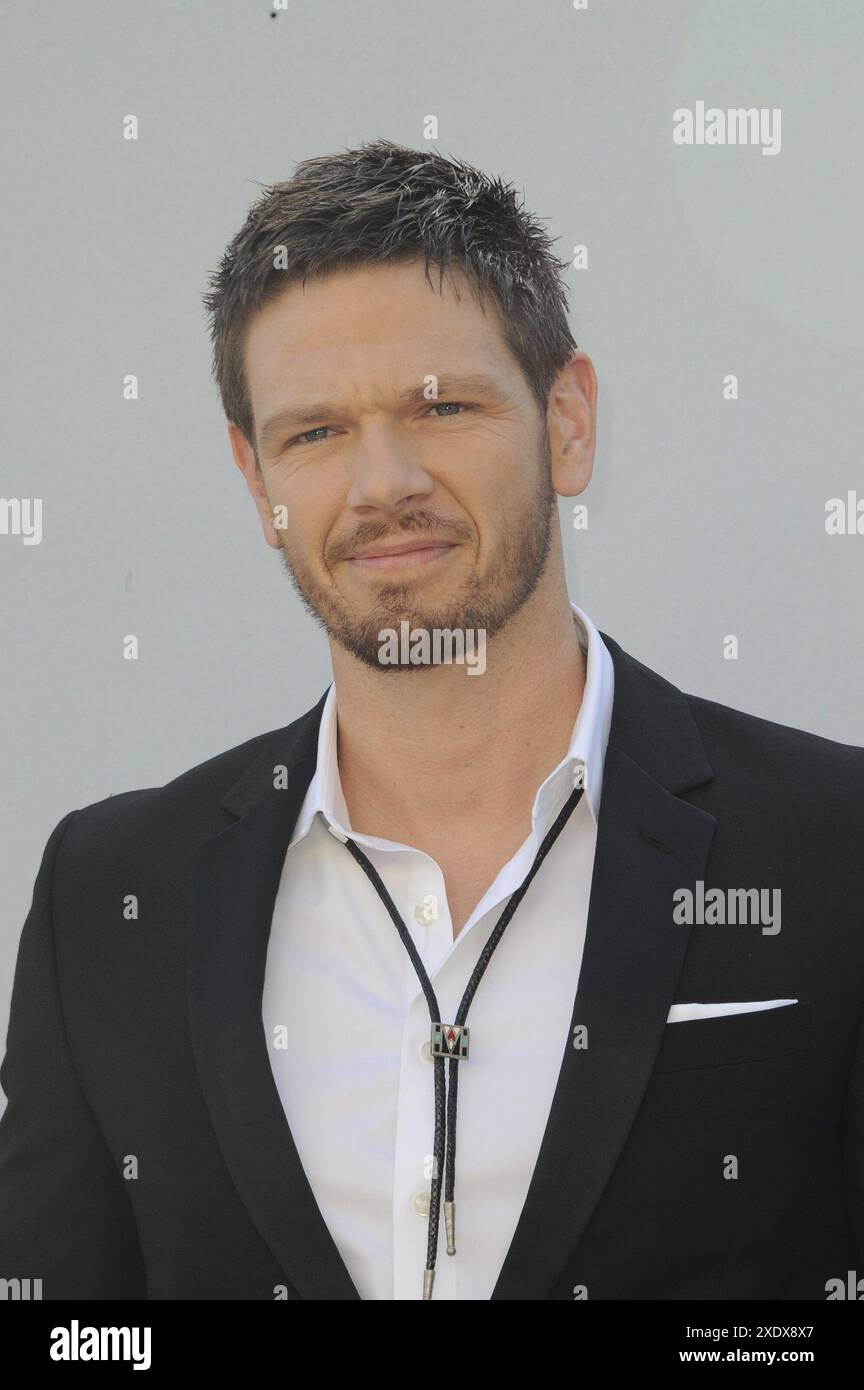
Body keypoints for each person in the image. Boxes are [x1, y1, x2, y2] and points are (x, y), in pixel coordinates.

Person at [1, 139, 862, 1302]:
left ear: (567, 422)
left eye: (442, 406)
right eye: (315, 433)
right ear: (256, 479)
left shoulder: (835, 847)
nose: (381, 483)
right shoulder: (106, 894)